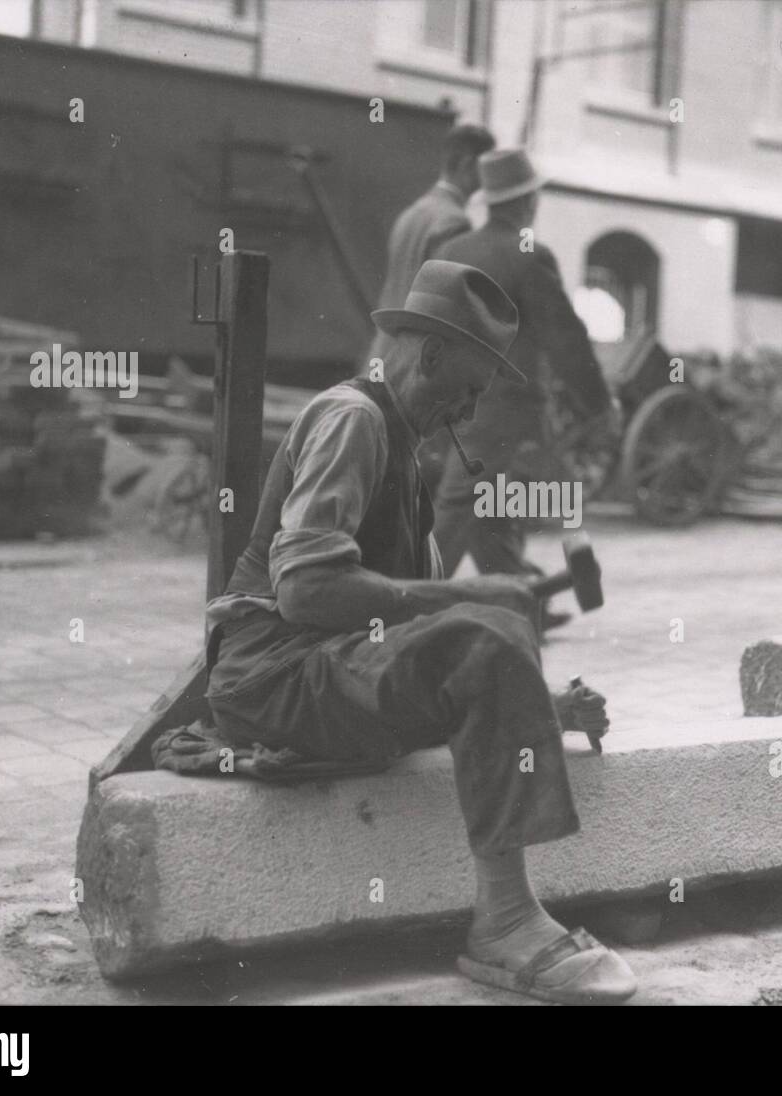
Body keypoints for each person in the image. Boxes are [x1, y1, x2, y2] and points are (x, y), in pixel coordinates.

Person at [203, 260, 637, 1005]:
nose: (468, 417)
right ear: (430, 356)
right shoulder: (354, 420)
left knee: (489, 634)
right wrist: (470, 591)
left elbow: (420, 651)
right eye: (467, 392)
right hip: (271, 670)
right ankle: (504, 924)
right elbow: (305, 589)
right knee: (485, 632)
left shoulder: (402, 454)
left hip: (320, 668)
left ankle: (509, 915)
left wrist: (539, 708)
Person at [432, 149, 616, 598]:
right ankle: (403, 604)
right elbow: (566, 340)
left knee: (489, 509)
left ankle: (524, 598)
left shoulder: (451, 251)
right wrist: (598, 403)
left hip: (455, 408)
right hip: (511, 416)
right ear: (528, 201)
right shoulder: (529, 254)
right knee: (469, 509)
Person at [364, 124, 496, 371]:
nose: (487, 181)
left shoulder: (412, 212)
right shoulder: (455, 221)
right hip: (412, 365)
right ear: (468, 164)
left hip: (382, 354)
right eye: (485, 169)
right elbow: (445, 305)